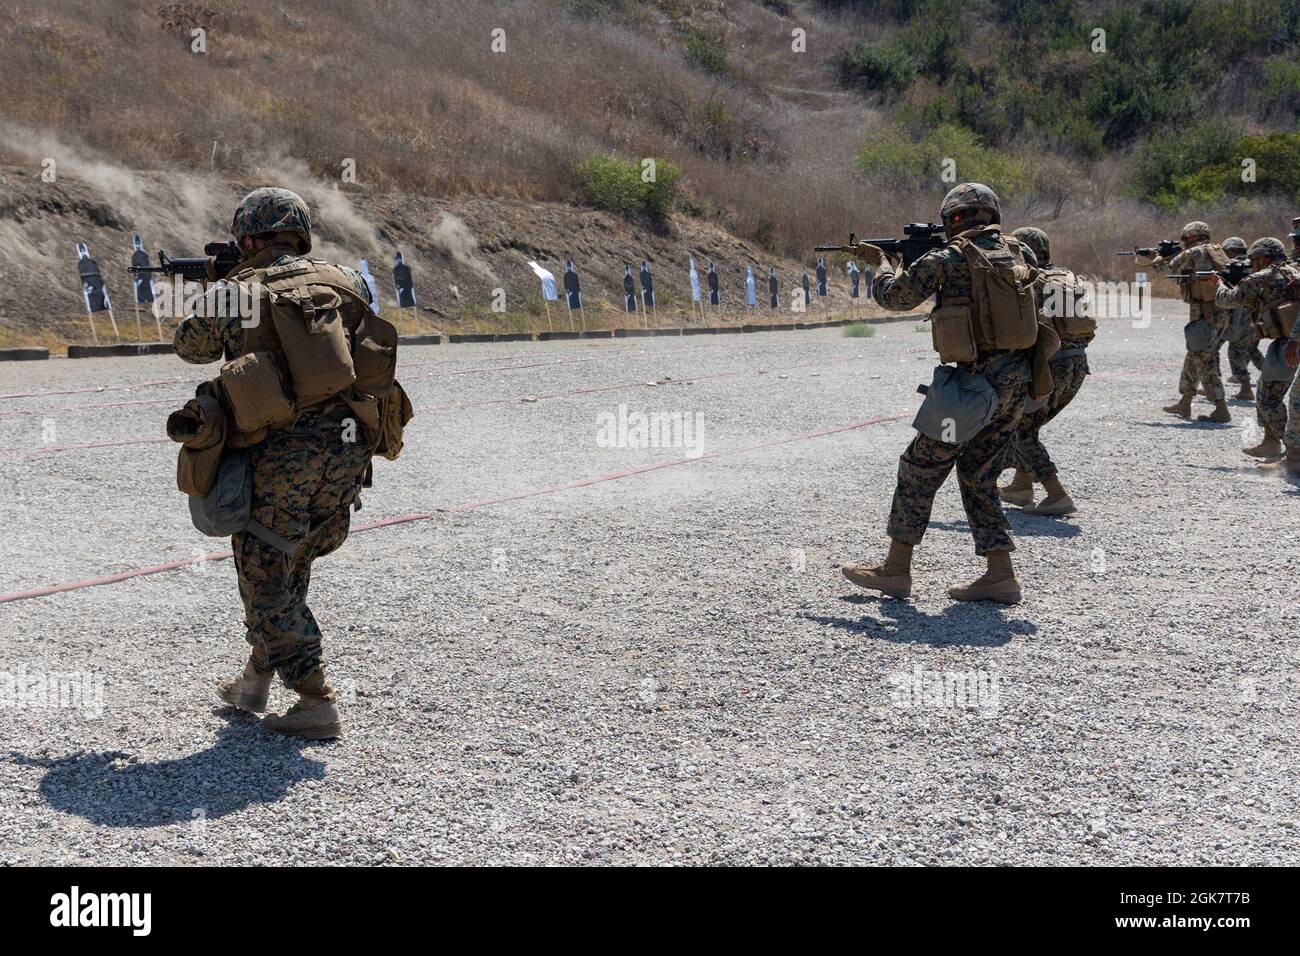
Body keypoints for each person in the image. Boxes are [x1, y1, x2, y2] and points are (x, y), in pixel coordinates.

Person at [174, 187, 401, 739]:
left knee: (264, 579)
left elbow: (190, 346)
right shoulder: (345, 280)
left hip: (276, 455)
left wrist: (217, 288)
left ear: (249, 237)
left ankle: (315, 699)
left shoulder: (240, 289)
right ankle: (254, 681)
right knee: (287, 562)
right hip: (347, 451)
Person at [842, 183, 1041, 605]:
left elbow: (894, 298)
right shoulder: (1020, 252)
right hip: (1016, 382)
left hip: (970, 388)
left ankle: (896, 570)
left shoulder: (948, 257)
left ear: (951, 219)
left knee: (919, 468)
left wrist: (882, 264)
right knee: (980, 475)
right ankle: (1000, 575)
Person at [998, 226, 1093, 515]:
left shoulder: (1030, 280)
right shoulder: (1066, 276)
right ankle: (1022, 487)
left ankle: (1057, 495)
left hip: (1051, 366)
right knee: (1030, 422)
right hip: (1076, 365)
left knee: (1020, 427)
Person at [1212, 237, 1299, 465]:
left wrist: (1218, 284)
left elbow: (1228, 300)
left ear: (1265, 257)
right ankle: (1271, 443)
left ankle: (1290, 452)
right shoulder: (1294, 271)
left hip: (1287, 344)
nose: (1253, 264)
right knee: (1267, 390)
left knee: (1268, 397)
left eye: (1255, 259)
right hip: (1289, 341)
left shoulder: (1263, 277)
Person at [1141, 222, 1233, 422]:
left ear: (1190, 237)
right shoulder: (1215, 250)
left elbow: (1163, 270)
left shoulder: (1194, 252)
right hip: (1219, 311)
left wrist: (1158, 256)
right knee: (1195, 355)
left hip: (1204, 313)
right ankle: (1185, 402)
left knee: (1203, 358)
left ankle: (1221, 408)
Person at [1219, 236, 1263, 401]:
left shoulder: (1234, 266)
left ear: (1230, 250)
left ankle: (1244, 387)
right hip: (1255, 317)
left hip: (1240, 317)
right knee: (1249, 349)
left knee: (1235, 350)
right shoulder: (1256, 263)